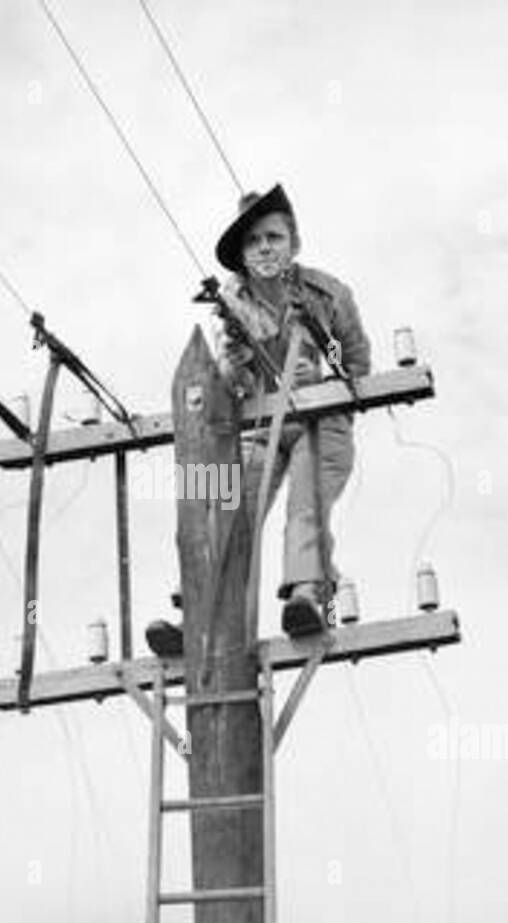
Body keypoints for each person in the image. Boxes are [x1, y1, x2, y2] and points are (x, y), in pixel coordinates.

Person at [146, 183, 371, 656]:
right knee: (223, 500)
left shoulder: (327, 295)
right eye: (253, 242)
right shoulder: (231, 305)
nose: (265, 248)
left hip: (320, 417)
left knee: (305, 506)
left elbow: (354, 360)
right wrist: (237, 360)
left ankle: (309, 597)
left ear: (293, 242)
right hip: (259, 422)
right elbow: (228, 379)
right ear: (242, 256)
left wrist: (327, 372)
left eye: (273, 237)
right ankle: (199, 613)